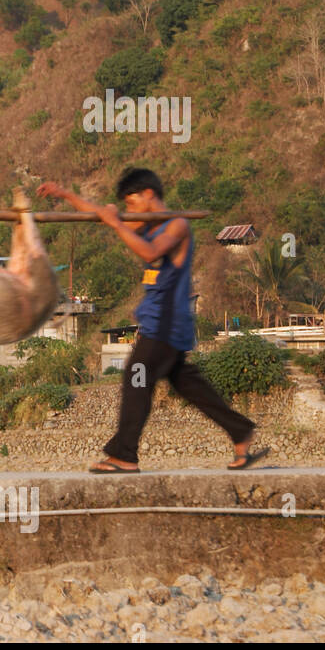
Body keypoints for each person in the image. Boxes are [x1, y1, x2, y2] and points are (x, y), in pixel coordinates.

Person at [37, 168, 266, 473]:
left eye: (131, 204)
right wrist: (65, 194)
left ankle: (124, 455)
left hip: (165, 325)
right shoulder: (147, 226)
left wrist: (116, 222)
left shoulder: (177, 226)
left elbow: (150, 250)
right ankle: (241, 433)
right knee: (189, 385)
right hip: (161, 323)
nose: (129, 211)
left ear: (148, 195)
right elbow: (98, 212)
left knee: (136, 378)